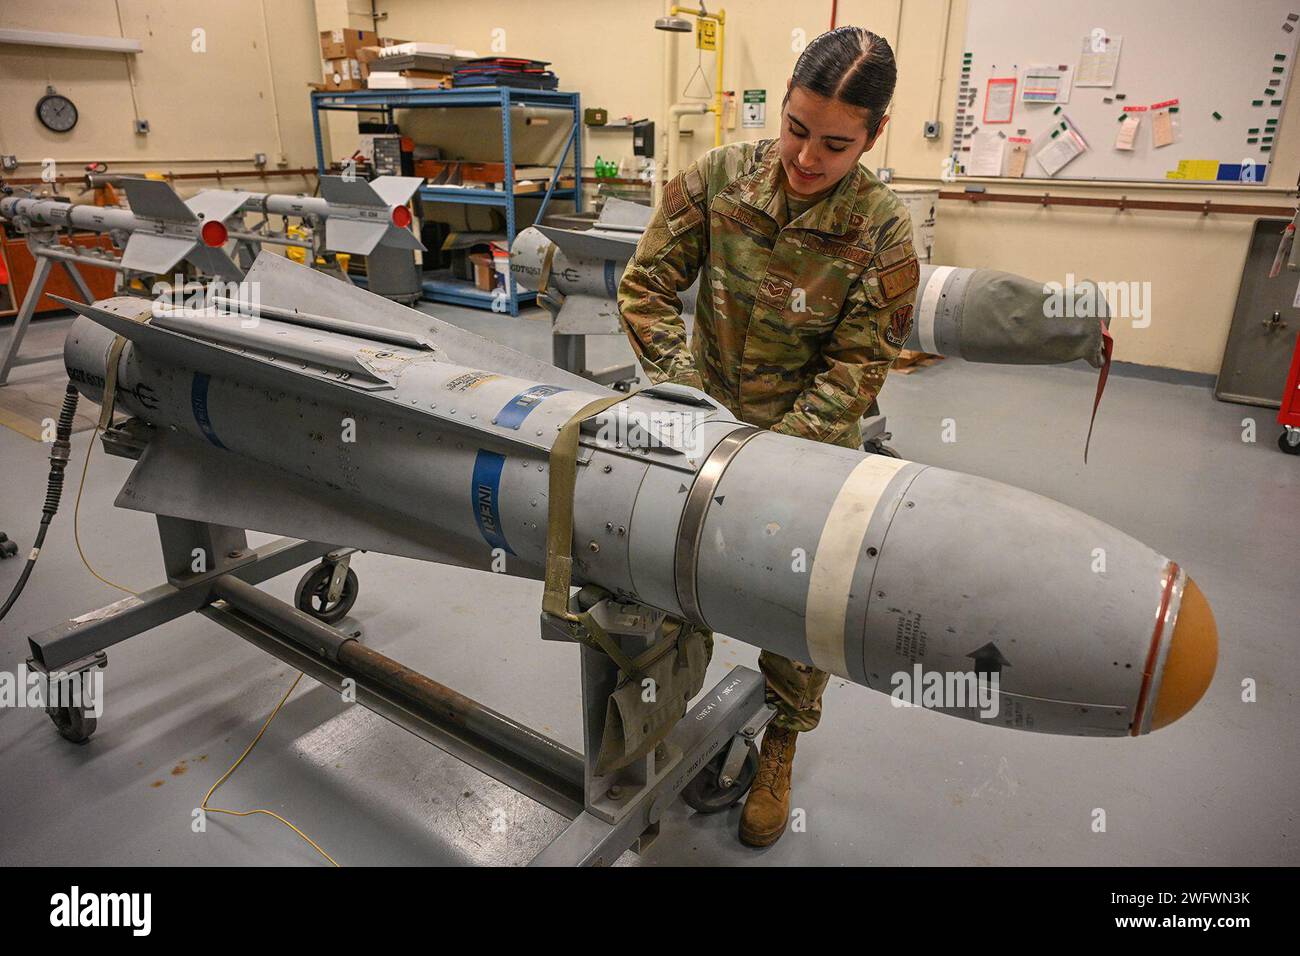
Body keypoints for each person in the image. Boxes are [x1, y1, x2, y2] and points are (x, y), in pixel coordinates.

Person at [617, 26, 921, 847]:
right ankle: (660, 723)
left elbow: (856, 371)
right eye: (795, 128)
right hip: (701, 429)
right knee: (670, 581)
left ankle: (781, 735)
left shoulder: (884, 235)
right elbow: (645, 285)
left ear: (873, 135)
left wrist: (770, 460)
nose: (806, 157)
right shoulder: (720, 178)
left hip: (807, 457)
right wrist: (685, 390)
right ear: (782, 103)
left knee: (795, 605)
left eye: (834, 143)